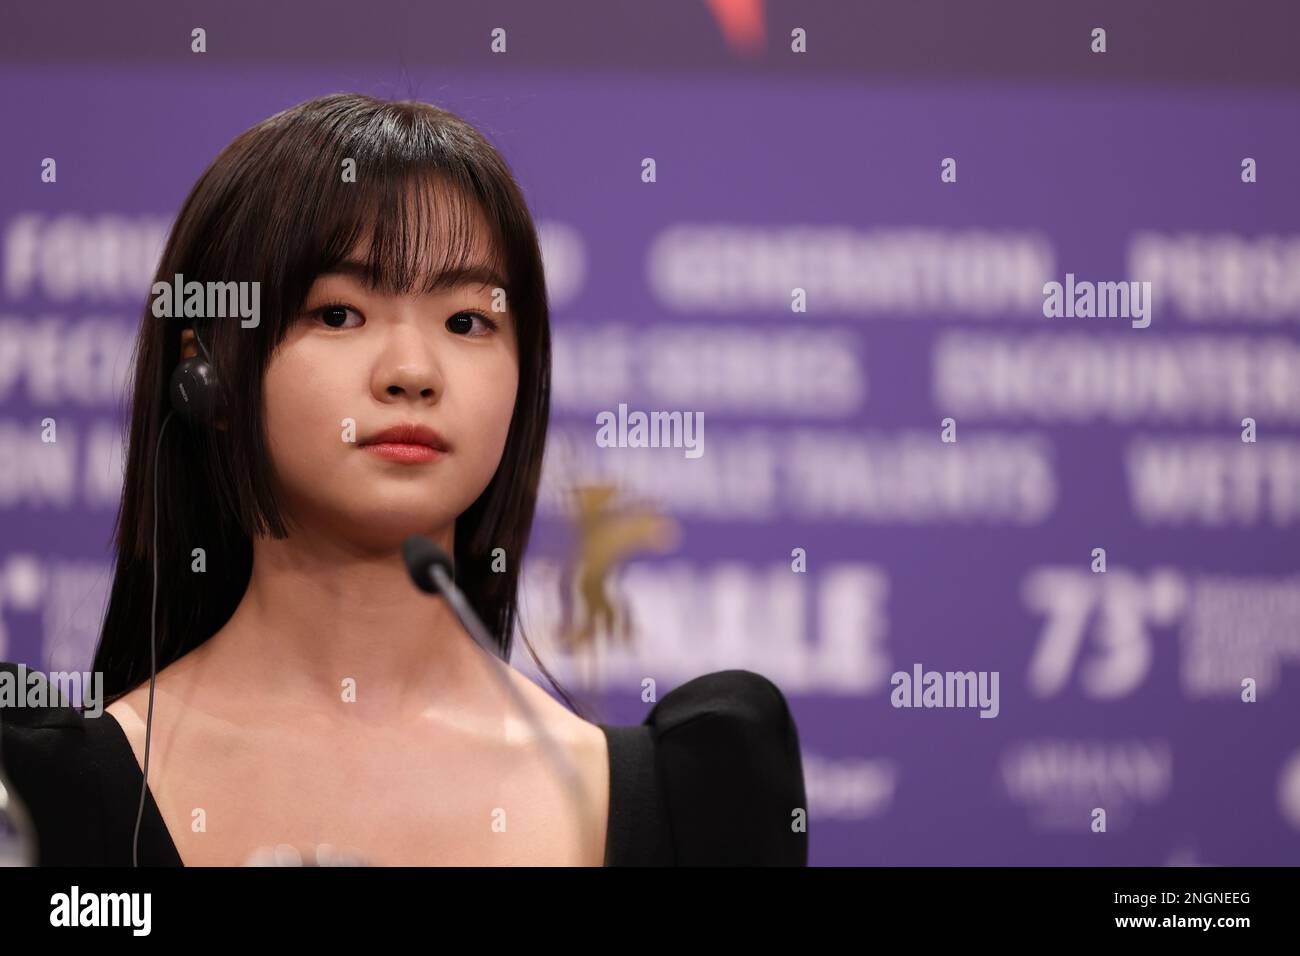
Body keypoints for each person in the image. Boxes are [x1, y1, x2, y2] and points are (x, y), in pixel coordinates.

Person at [0, 93, 808, 866]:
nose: (413, 373)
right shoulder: (44, 795)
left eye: (468, 322)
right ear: (206, 375)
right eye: (339, 313)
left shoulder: (691, 799)